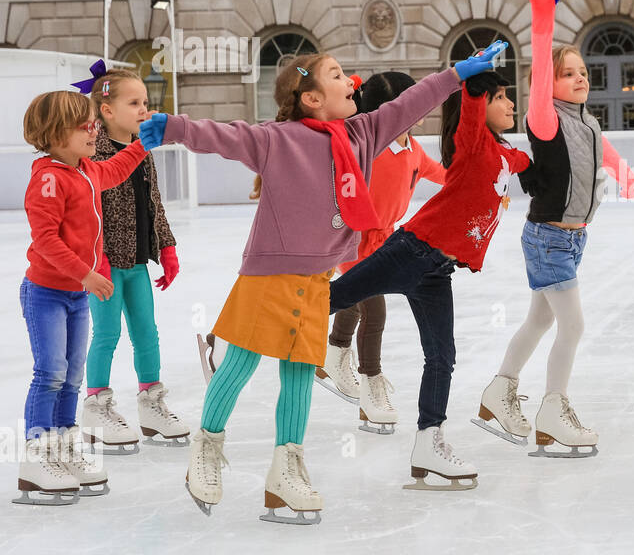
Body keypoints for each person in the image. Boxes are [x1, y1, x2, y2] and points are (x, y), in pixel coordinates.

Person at [138, 45, 503, 523]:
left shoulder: (363, 133)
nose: (352, 81)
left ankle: (285, 469)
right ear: (310, 98)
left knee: (298, 376)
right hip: (268, 273)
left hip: (317, 278)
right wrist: (175, 127)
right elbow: (225, 135)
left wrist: (457, 74)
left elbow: (410, 103)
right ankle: (206, 449)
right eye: (336, 76)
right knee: (240, 365)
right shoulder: (276, 139)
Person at [327, 63, 529, 490]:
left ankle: (428, 444)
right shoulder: (471, 141)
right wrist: (473, 86)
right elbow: (470, 115)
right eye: (500, 97)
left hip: (437, 269)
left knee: (442, 357)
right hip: (410, 250)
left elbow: (530, 155)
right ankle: (234, 339)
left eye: (508, 96)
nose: (510, 103)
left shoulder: (504, 154)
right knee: (332, 300)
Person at [476, 0, 634, 458]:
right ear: (548, 84)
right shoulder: (545, 118)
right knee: (572, 326)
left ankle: (499, 390)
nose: (580, 78)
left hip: (571, 238)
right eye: (568, 73)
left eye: (583, 72)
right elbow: (541, 58)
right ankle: (552, 412)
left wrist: (630, 177)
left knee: (541, 323)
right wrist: (542, 13)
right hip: (548, 237)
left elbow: (605, 151)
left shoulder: (587, 121)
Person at [16, 88, 148, 505]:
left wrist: (146, 141)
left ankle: (63, 447)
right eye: (83, 125)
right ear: (55, 133)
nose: (94, 130)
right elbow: (46, 242)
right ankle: (37, 456)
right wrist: (87, 274)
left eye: (94, 122)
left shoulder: (87, 170)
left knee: (73, 375)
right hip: (46, 294)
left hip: (75, 294)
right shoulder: (49, 179)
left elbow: (118, 168)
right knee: (50, 372)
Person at [320, 71, 448, 433]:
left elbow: (442, 175)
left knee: (352, 298)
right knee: (374, 309)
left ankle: (335, 350)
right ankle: (370, 384)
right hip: (352, 235)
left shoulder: (412, 148)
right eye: (413, 99)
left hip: (386, 240)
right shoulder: (367, 149)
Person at [83, 63, 188, 450]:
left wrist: (167, 245)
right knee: (107, 335)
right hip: (105, 265)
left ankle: (150, 404)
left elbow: (154, 203)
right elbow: (87, 211)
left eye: (146, 102)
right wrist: (96, 257)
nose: (144, 109)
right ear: (107, 110)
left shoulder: (143, 150)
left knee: (147, 332)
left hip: (137, 262)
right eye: (134, 103)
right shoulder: (92, 153)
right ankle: (96, 404)